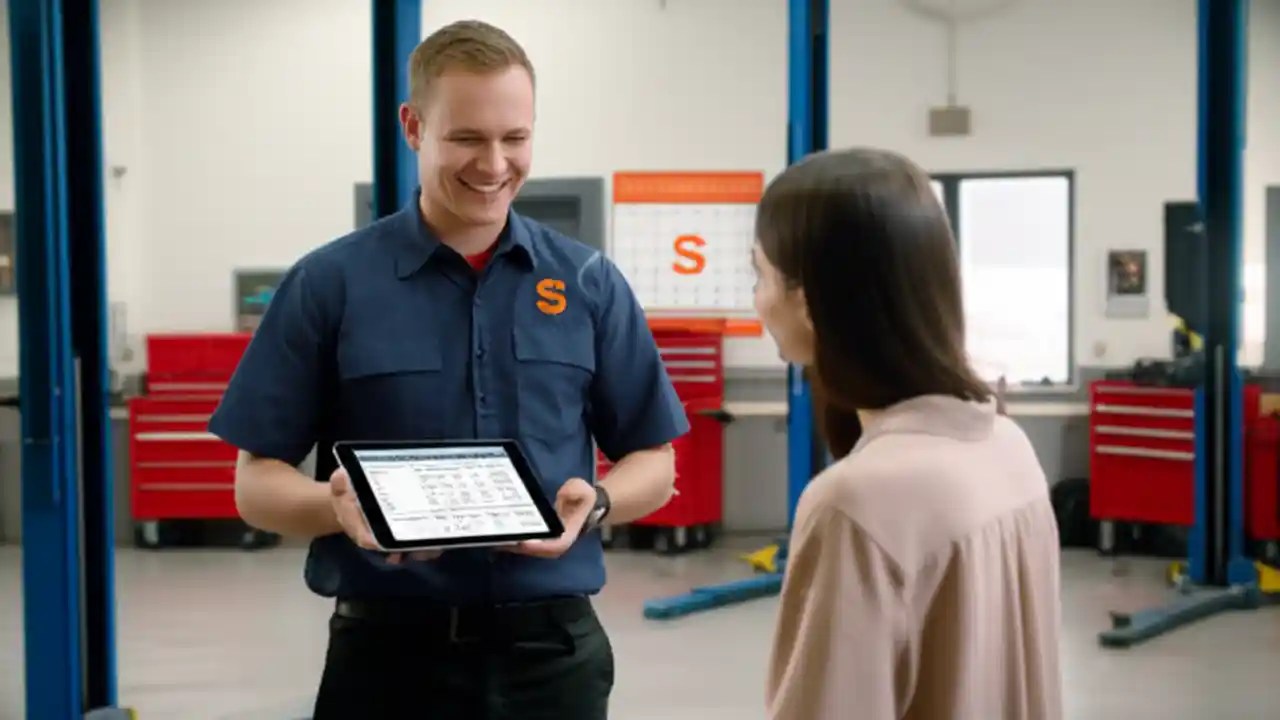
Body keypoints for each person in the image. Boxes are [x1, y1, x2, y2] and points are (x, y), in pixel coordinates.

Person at [208, 19, 688, 720]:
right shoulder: (328, 285)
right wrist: (342, 509)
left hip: (552, 659)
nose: (494, 164)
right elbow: (256, 486)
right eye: (466, 138)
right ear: (413, 127)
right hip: (387, 663)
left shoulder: (588, 282)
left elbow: (656, 460)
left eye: (515, 138)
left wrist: (601, 505)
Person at [751, 148, 1063, 719]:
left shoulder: (859, 501)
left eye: (761, 274)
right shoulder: (1007, 447)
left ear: (809, 299)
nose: (758, 304)